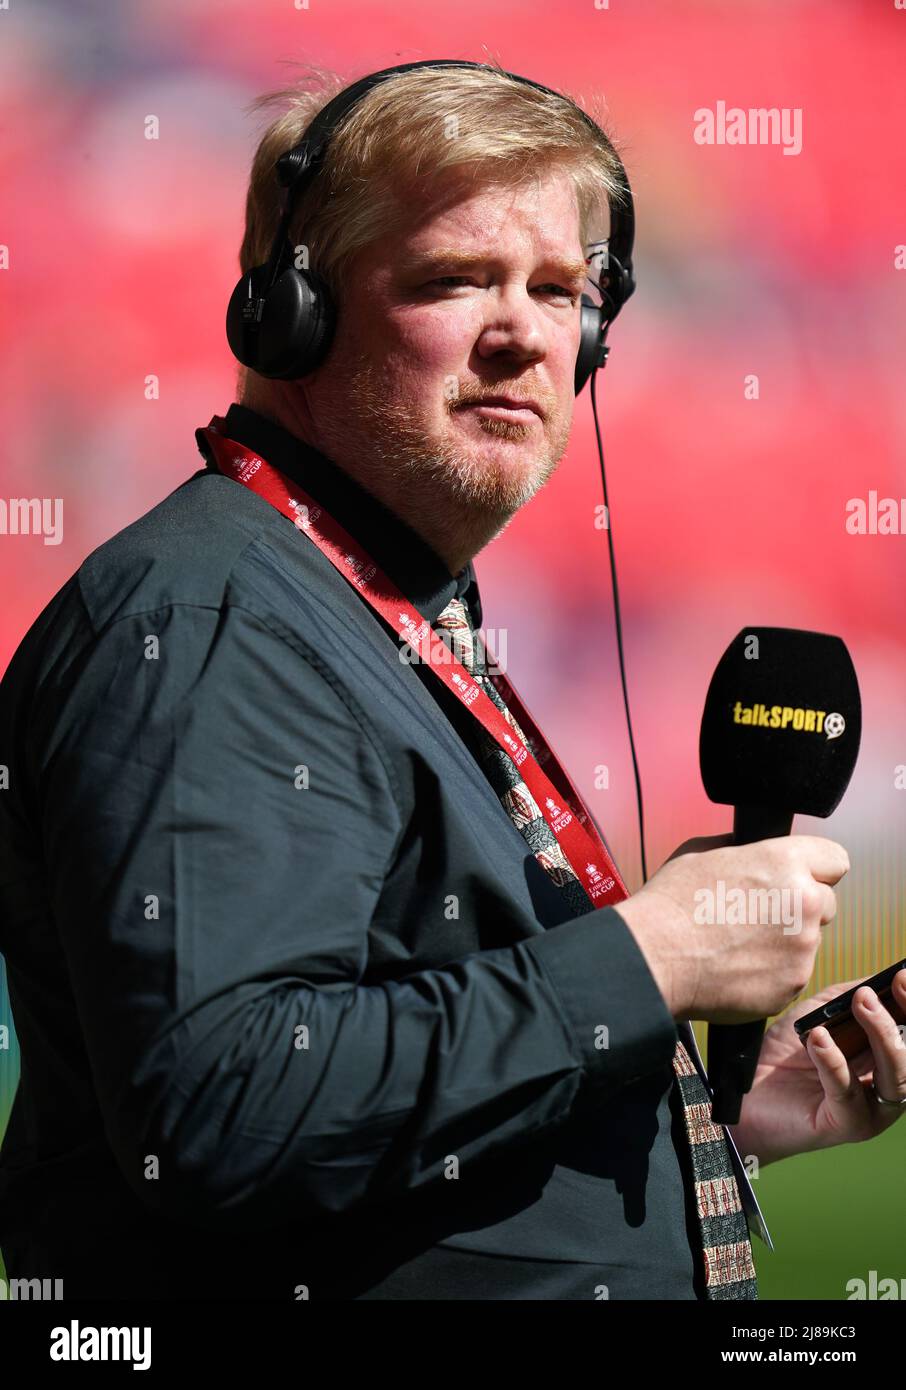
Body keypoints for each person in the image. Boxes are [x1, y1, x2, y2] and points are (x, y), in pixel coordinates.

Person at [0, 60, 903, 1303]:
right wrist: (645, 962)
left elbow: (389, 1107)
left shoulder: (372, 599)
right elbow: (221, 1108)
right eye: (454, 279)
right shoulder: (214, 619)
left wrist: (683, 1105)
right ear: (290, 314)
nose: (526, 331)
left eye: (558, 291)